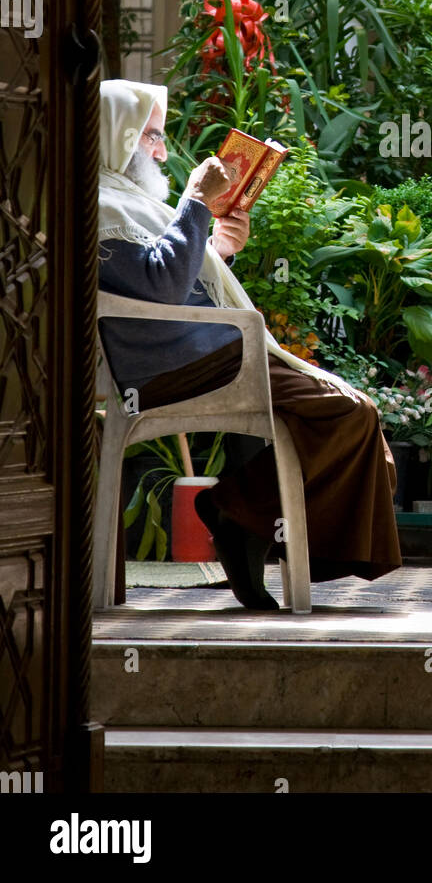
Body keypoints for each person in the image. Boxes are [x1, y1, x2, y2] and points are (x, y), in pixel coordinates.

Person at [97, 78, 401, 609]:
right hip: (181, 364)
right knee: (354, 416)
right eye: (151, 137)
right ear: (118, 136)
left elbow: (169, 282)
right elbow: (161, 285)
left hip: (203, 355)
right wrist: (194, 200)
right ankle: (236, 513)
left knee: (357, 427)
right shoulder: (100, 204)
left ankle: (239, 513)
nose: (163, 151)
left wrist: (219, 247)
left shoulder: (123, 201)